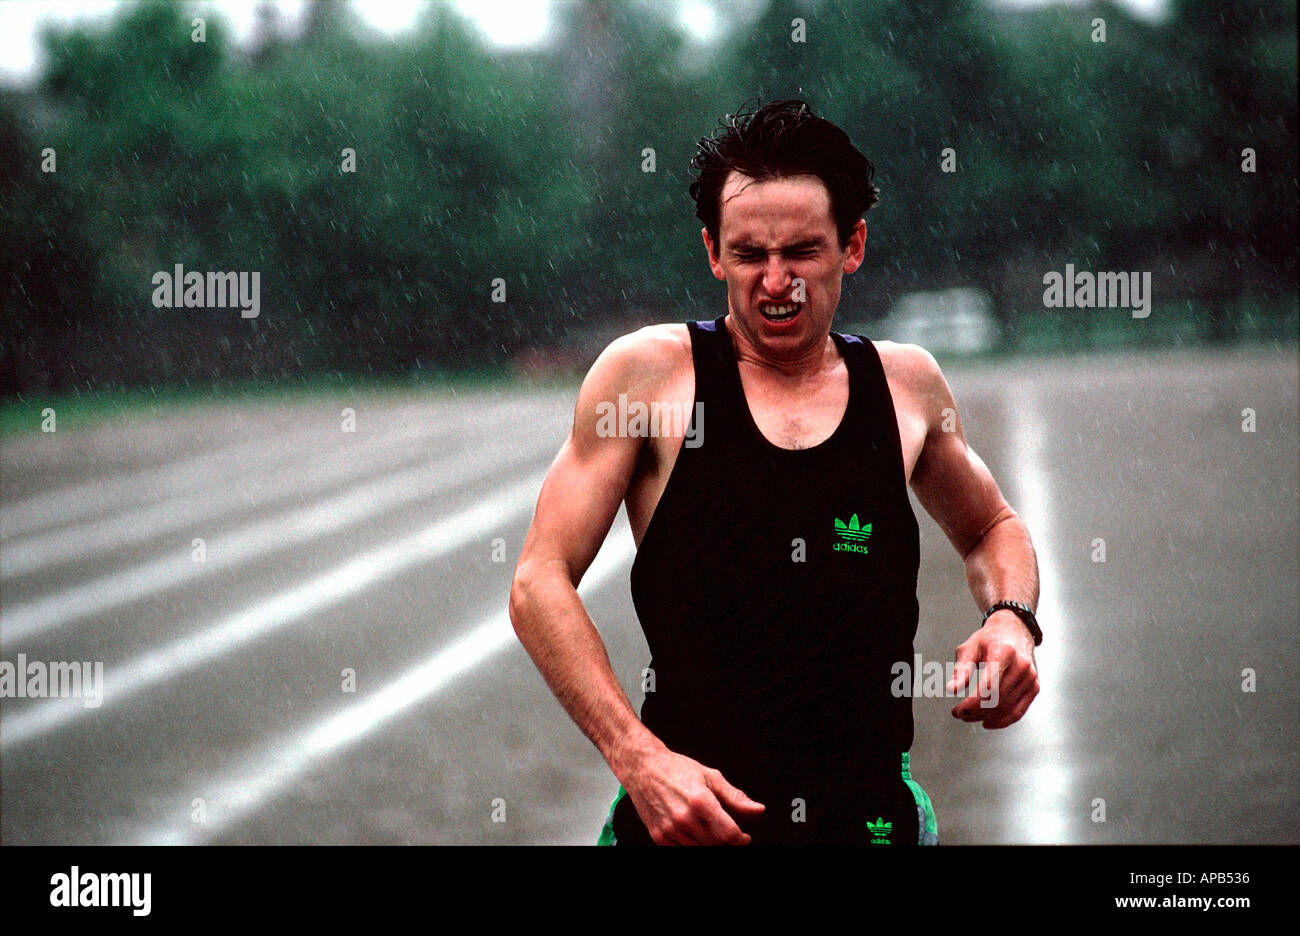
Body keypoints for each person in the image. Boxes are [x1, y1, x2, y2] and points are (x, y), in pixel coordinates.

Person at [509, 99, 1041, 846]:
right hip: (690, 823)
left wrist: (1011, 619)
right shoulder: (648, 379)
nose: (776, 280)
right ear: (712, 253)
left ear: (852, 245)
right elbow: (539, 579)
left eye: (802, 251)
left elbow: (991, 527)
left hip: (868, 824)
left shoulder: (905, 386)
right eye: (751, 254)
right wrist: (641, 761)